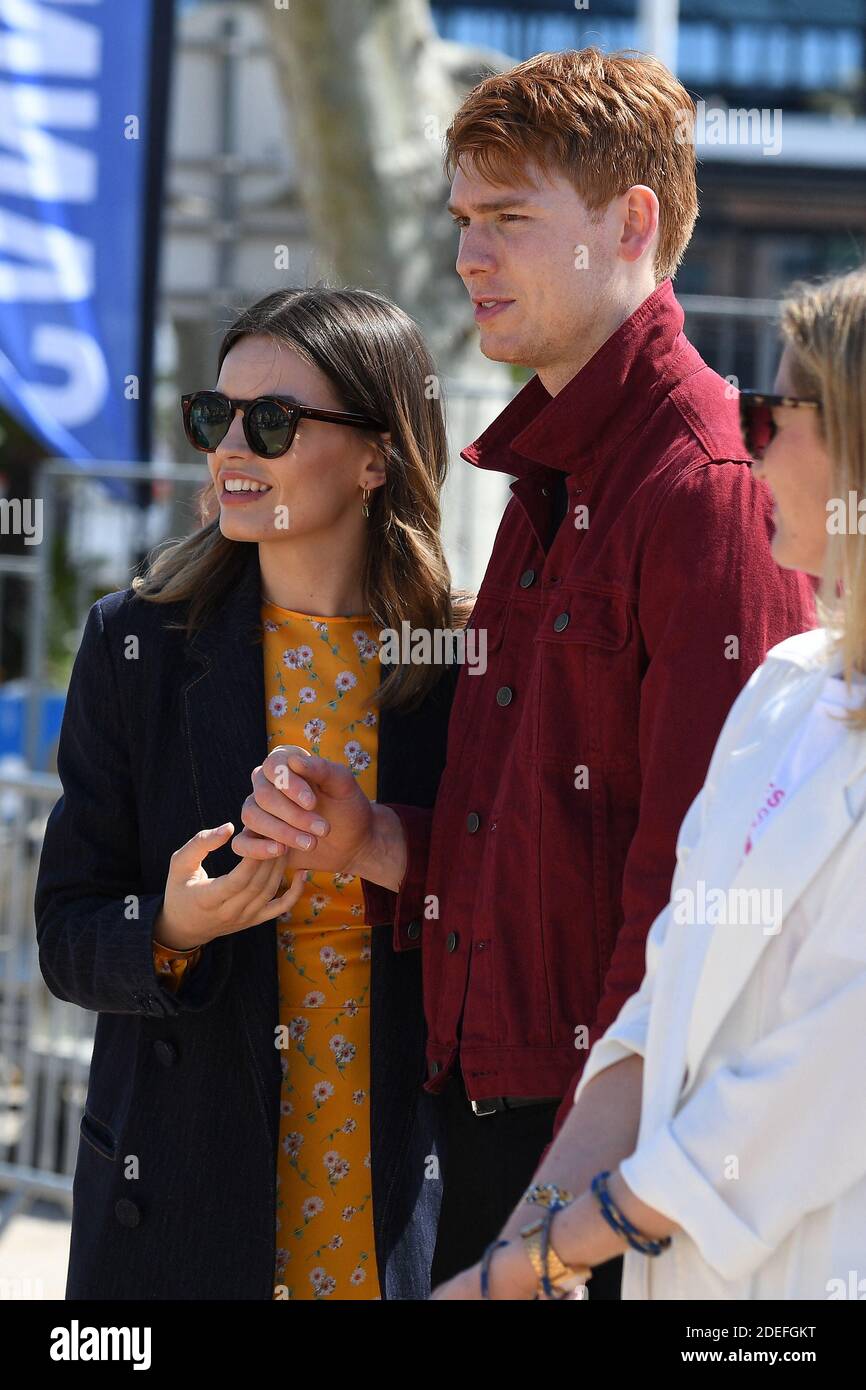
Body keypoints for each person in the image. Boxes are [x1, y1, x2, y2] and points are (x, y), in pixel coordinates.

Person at [235, 48, 817, 1298]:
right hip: (505, 1139)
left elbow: (694, 896)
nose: (467, 258)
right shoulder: (551, 480)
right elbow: (551, 846)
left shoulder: (704, 494)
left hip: (595, 1177)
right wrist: (380, 840)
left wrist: (557, 1225)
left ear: (632, 221)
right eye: (459, 220)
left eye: (507, 218)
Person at [430, 263, 866, 1300]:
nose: (747, 436)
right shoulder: (781, 693)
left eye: (775, 409)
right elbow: (651, 1012)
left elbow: (796, 1097)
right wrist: (525, 1247)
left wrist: (533, 1262)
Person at [34, 286, 465, 1301]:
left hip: (389, 1177)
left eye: (271, 422)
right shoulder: (133, 644)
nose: (232, 445)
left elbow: (516, 894)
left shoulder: (458, 660)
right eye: (212, 417)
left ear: (377, 455)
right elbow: (65, 927)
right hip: (184, 1188)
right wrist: (172, 927)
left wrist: (376, 847)